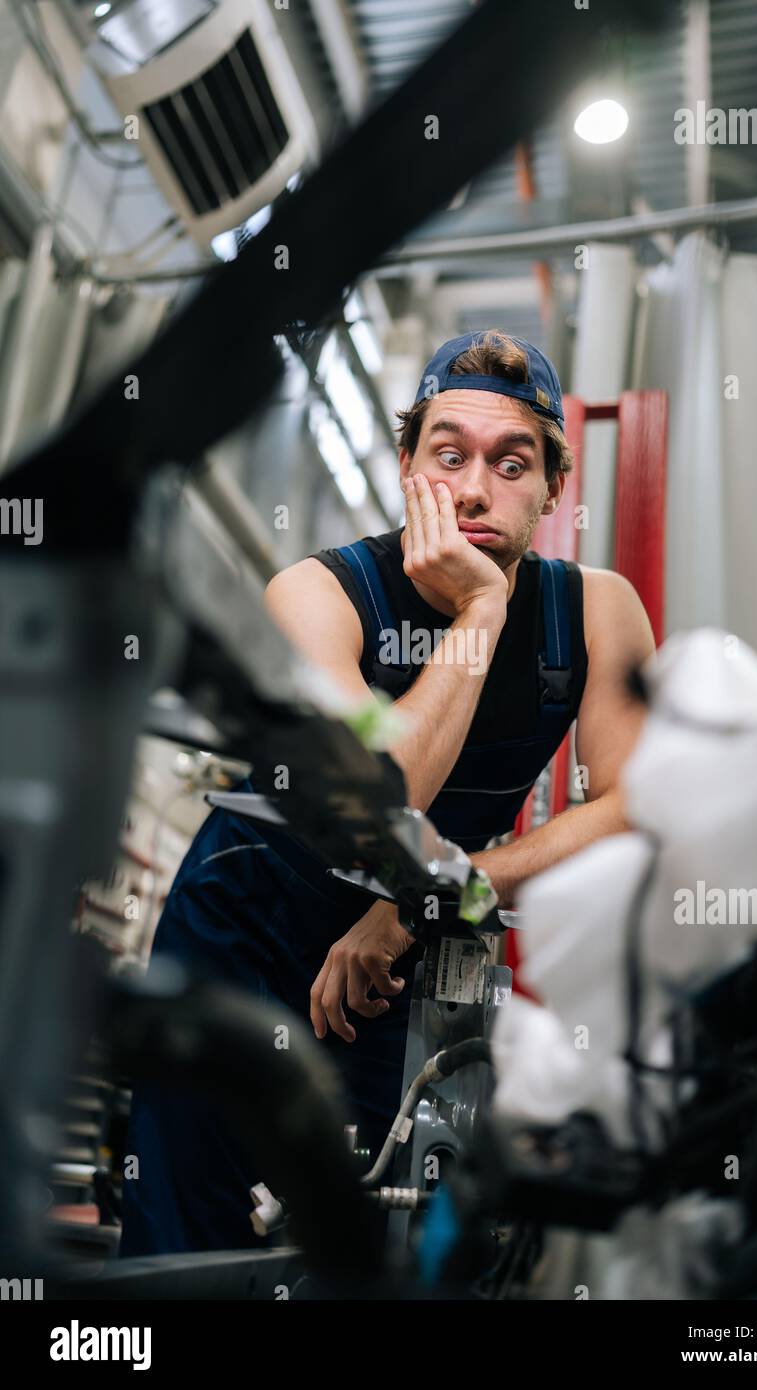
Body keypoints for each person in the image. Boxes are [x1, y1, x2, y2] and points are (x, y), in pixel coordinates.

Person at [119, 329, 655, 1256]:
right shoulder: (318, 594)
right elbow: (385, 793)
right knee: (185, 1232)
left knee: (370, 1230)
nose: (476, 488)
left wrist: (427, 903)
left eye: (512, 462)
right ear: (406, 465)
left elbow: (629, 810)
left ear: (552, 488)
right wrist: (481, 613)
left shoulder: (595, 612)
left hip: (400, 964)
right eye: (447, 455)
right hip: (246, 927)